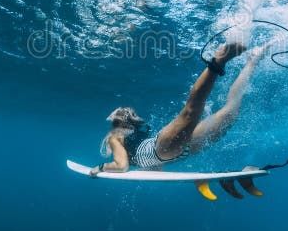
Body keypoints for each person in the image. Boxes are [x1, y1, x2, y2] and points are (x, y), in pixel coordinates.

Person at [90, 42, 267, 176]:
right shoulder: (129, 136)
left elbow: (122, 166)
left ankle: (218, 61)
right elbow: (152, 164)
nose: (135, 117)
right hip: (178, 151)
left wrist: (100, 168)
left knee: (191, 112)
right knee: (230, 113)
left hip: (167, 149)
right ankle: (253, 60)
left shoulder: (114, 137)